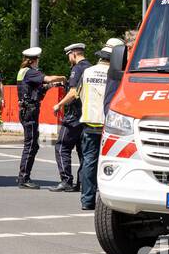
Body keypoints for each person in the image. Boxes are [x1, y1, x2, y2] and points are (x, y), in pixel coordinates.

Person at [16, 47, 66, 190]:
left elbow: (38, 88)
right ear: (32, 60)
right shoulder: (31, 72)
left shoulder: (24, 72)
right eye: (37, 59)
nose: (38, 62)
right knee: (31, 145)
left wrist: (53, 85)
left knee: (32, 145)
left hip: (27, 111)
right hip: (29, 112)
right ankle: (23, 178)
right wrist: (61, 77)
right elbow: (47, 78)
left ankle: (23, 176)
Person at [76, 43, 117, 211]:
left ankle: (87, 200)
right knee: (112, 163)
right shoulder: (114, 74)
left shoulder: (87, 72)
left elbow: (79, 93)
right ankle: (109, 201)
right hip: (108, 125)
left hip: (89, 123)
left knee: (89, 163)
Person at [48, 43, 90, 192]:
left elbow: (73, 93)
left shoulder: (77, 69)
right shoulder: (91, 68)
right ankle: (82, 183)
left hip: (73, 117)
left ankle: (66, 180)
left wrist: (59, 105)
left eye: (69, 56)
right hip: (87, 117)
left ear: (73, 54)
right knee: (82, 151)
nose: (69, 60)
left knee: (62, 146)